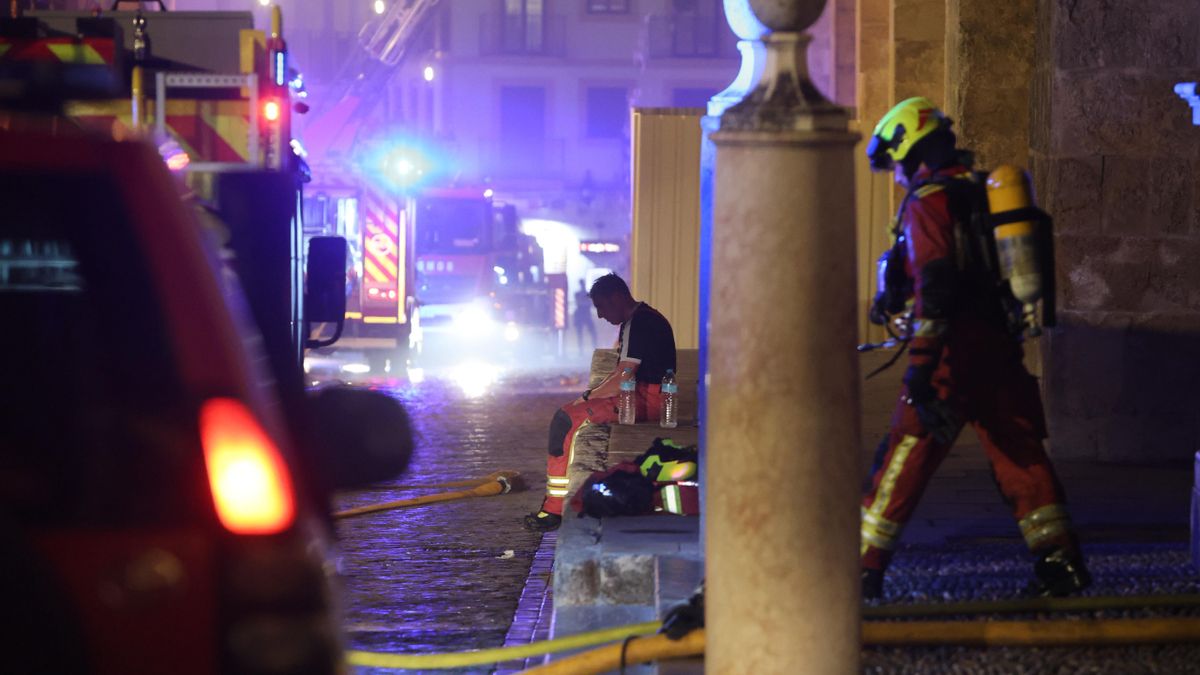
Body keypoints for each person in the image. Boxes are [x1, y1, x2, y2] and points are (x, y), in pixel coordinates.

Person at [859, 97, 1090, 599]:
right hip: (999, 352)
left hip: (950, 357)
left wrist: (921, 368)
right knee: (1021, 455)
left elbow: (937, 287)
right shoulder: (979, 193)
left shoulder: (928, 202)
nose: (897, 175)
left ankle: (862, 567)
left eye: (898, 163)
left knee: (904, 457)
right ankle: (1061, 564)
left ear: (912, 151)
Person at [524, 273, 676, 532]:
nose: (600, 315)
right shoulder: (642, 318)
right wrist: (592, 394)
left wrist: (588, 397)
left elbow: (624, 376)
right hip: (646, 395)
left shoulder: (639, 323)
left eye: (601, 307)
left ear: (617, 297)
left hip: (646, 400)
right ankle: (555, 504)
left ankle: (554, 509)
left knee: (566, 421)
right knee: (571, 412)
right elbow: (622, 374)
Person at [573, 278, 598, 355]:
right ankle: (582, 350)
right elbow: (582, 303)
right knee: (581, 334)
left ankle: (592, 348)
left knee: (589, 333)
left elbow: (587, 303)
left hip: (584, 315)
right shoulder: (580, 294)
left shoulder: (585, 294)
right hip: (583, 315)